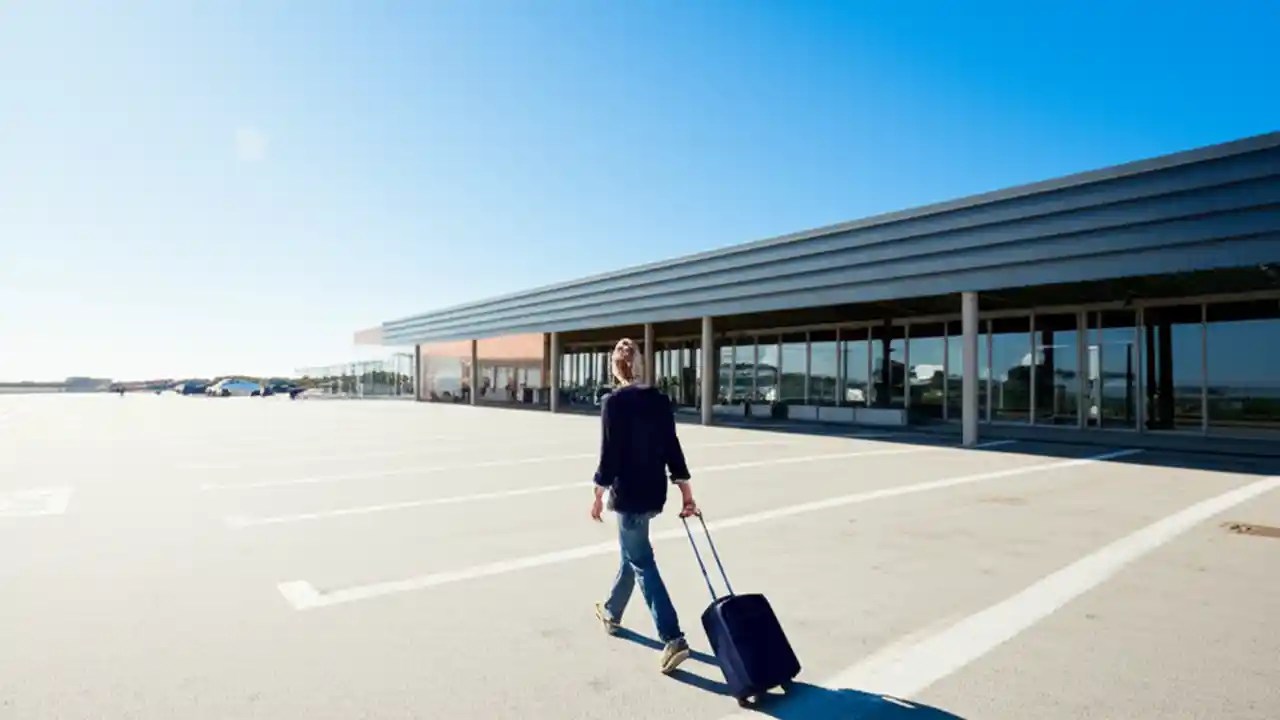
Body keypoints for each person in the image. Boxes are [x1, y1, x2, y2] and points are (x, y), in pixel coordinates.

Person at [590, 337, 698, 674]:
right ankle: (611, 611)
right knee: (631, 554)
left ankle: (673, 637)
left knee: (641, 561)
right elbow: (672, 448)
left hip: (629, 495)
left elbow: (609, 456)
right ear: (639, 364)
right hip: (654, 494)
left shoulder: (613, 402)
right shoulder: (660, 401)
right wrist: (686, 492)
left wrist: (597, 494)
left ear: (615, 367)